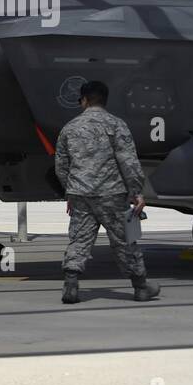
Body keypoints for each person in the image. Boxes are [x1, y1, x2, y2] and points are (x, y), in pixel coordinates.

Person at [55, 80, 158, 304]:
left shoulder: (70, 128)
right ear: (104, 100)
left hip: (80, 194)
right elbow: (128, 161)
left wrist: (70, 192)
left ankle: (71, 285)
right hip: (112, 194)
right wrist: (137, 191)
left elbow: (61, 165)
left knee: (79, 240)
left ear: (83, 100)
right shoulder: (116, 125)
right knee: (124, 240)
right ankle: (141, 287)